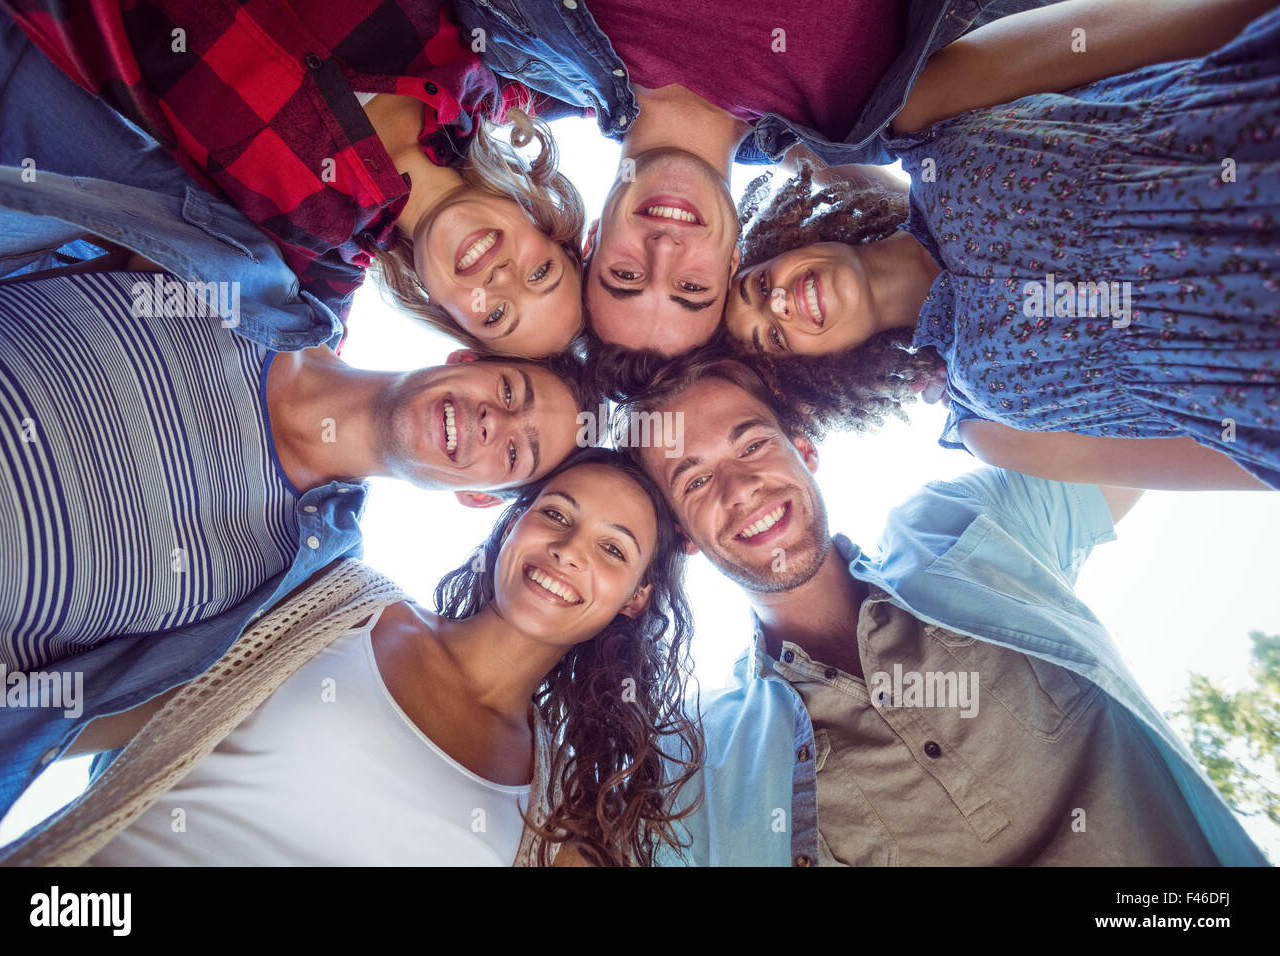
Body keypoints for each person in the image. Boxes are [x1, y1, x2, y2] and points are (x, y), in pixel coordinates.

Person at [623, 355, 1267, 865]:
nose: (740, 489)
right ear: (682, 534)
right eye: (696, 480)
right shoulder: (702, 756)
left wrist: (962, 372)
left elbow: (1163, 415)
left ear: (805, 450)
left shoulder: (966, 523)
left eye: (753, 445)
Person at [0, 449, 702, 867]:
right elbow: (93, 708)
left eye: (613, 549)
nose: (569, 550)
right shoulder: (338, 600)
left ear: (635, 599)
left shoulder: (559, 810)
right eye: (556, 513)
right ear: (512, 525)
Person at [723, 0, 1280, 490]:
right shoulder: (988, 429)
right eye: (773, 337)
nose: (779, 303)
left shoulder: (927, 117)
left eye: (760, 285)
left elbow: (1154, 26)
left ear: (784, 242)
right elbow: (1225, 455)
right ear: (818, 375)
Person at [447, 0, 1061, 371]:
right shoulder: (873, 120)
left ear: (591, 240)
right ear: (734, 262)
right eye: (692, 287)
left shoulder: (510, 36)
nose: (664, 250)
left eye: (626, 275)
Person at [0, 0, 587, 358]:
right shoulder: (490, 68)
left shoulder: (312, 269)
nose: (504, 280)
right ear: (545, 220)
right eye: (542, 273)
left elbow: (293, 378)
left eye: (495, 316)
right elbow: (626, 88)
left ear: (446, 313)